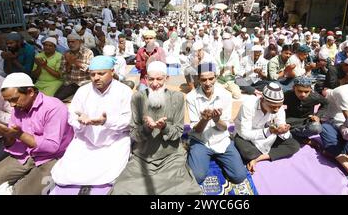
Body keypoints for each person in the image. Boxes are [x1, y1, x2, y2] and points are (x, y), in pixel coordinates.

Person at [0, 73, 73, 194]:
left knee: (25, 191)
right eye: (8, 101)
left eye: (14, 99)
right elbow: (13, 143)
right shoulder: (18, 109)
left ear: (30, 91)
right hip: (25, 153)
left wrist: (19, 135)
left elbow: (52, 147)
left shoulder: (54, 107)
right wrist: (5, 134)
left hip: (53, 158)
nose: (12, 105)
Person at [112, 61, 201, 195]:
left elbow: (178, 131)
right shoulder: (138, 98)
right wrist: (147, 128)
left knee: (185, 191)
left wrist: (164, 127)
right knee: (121, 190)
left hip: (170, 157)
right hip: (142, 157)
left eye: (159, 79)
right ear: (146, 79)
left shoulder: (177, 97)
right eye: (151, 79)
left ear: (167, 79)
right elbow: (133, 133)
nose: (154, 84)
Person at [51, 56, 132, 188]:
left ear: (112, 72)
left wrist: (106, 122)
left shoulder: (124, 91)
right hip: (86, 140)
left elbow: (129, 120)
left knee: (111, 176)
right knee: (63, 175)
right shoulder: (83, 91)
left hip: (114, 141)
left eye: (101, 73)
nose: (96, 78)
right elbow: (72, 115)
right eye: (92, 74)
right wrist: (80, 121)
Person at [186, 63, 247, 185]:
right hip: (201, 141)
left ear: (216, 77)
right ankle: (200, 155)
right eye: (203, 79)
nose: (208, 83)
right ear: (198, 79)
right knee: (196, 178)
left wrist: (216, 119)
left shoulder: (225, 95)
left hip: (221, 140)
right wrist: (204, 120)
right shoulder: (191, 97)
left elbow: (225, 127)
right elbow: (196, 130)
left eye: (211, 79)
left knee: (239, 176)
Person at [233, 83, 300, 174]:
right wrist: (269, 131)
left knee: (294, 145)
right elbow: (245, 133)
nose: (276, 110)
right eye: (272, 107)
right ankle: (256, 156)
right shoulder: (248, 105)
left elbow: (280, 124)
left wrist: (282, 130)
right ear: (262, 99)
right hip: (247, 137)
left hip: (269, 137)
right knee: (248, 153)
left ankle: (257, 158)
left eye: (279, 106)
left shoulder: (278, 108)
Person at [284, 77, 327, 146]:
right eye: (300, 91)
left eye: (306, 92)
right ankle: (300, 138)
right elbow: (277, 104)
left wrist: (317, 116)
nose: (303, 94)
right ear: (293, 88)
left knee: (316, 128)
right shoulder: (288, 95)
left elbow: (326, 104)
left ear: (310, 89)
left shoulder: (314, 96)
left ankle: (289, 134)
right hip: (289, 120)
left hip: (306, 120)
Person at [53, 34, 94, 101]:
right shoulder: (66, 53)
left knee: (86, 101)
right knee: (56, 98)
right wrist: (69, 63)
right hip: (70, 83)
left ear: (80, 42)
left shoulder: (88, 52)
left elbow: (92, 70)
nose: (70, 44)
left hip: (84, 82)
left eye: (73, 42)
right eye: (68, 42)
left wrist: (76, 63)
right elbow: (62, 72)